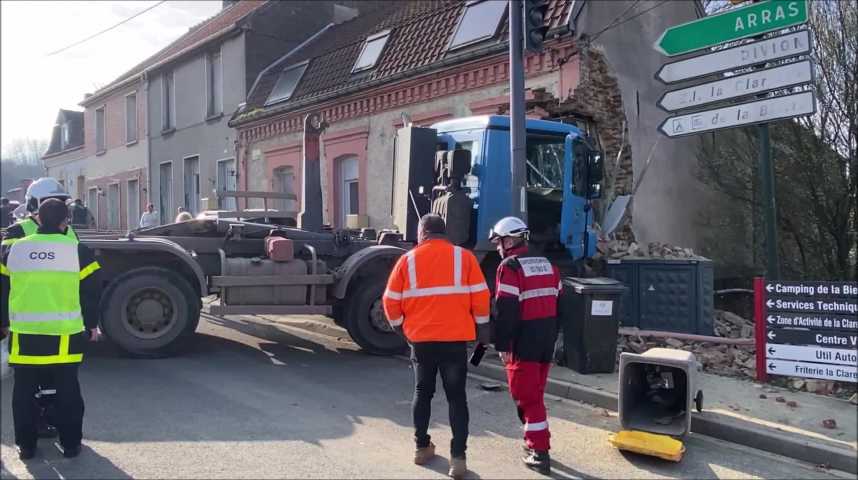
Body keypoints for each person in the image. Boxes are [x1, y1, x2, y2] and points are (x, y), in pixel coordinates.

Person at [383, 214, 491, 480]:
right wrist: (483, 333)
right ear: (445, 233)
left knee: (422, 392)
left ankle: (421, 448)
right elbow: (481, 297)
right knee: (457, 397)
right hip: (455, 341)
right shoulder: (464, 258)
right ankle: (458, 459)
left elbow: (390, 301)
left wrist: (402, 330)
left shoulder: (406, 261)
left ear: (422, 233)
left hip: (421, 341)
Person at [0, 199, 102, 460]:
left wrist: (2, 323)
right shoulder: (77, 251)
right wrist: (91, 326)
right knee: (68, 392)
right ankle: (70, 445)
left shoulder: (14, 251)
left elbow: (2, 290)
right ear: (64, 221)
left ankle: (27, 447)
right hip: (64, 336)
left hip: (24, 336)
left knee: (23, 393)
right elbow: (91, 293)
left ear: (36, 219)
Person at [1, 178, 78, 440]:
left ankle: (52, 421)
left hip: (59, 319)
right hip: (27, 320)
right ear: (34, 204)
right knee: (30, 384)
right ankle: (37, 426)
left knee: (54, 382)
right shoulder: (15, 233)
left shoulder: (69, 233)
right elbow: (4, 281)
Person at [489, 216, 562, 475]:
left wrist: (502, 343)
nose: (498, 247)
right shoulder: (548, 264)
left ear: (509, 240)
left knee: (526, 397)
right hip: (546, 339)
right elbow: (560, 303)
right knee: (536, 394)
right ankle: (535, 441)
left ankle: (538, 452)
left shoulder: (509, 267)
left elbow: (506, 309)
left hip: (523, 341)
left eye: (499, 242)